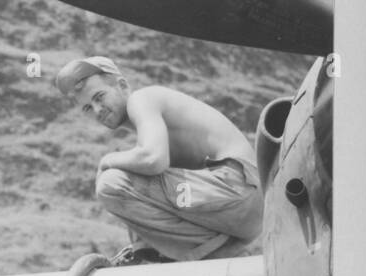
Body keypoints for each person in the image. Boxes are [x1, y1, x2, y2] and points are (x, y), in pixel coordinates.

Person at [55, 55, 263, 263]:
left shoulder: (142, 99)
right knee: (133, 175)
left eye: (99, 97)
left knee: (112, 183)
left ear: (122, 85)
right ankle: (152, 254)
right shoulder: (150, 127)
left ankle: (211, 252)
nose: (98, 110)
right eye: (88, 108)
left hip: (237, 186)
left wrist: (107, 160)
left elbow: (153, 159)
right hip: (243, 209)